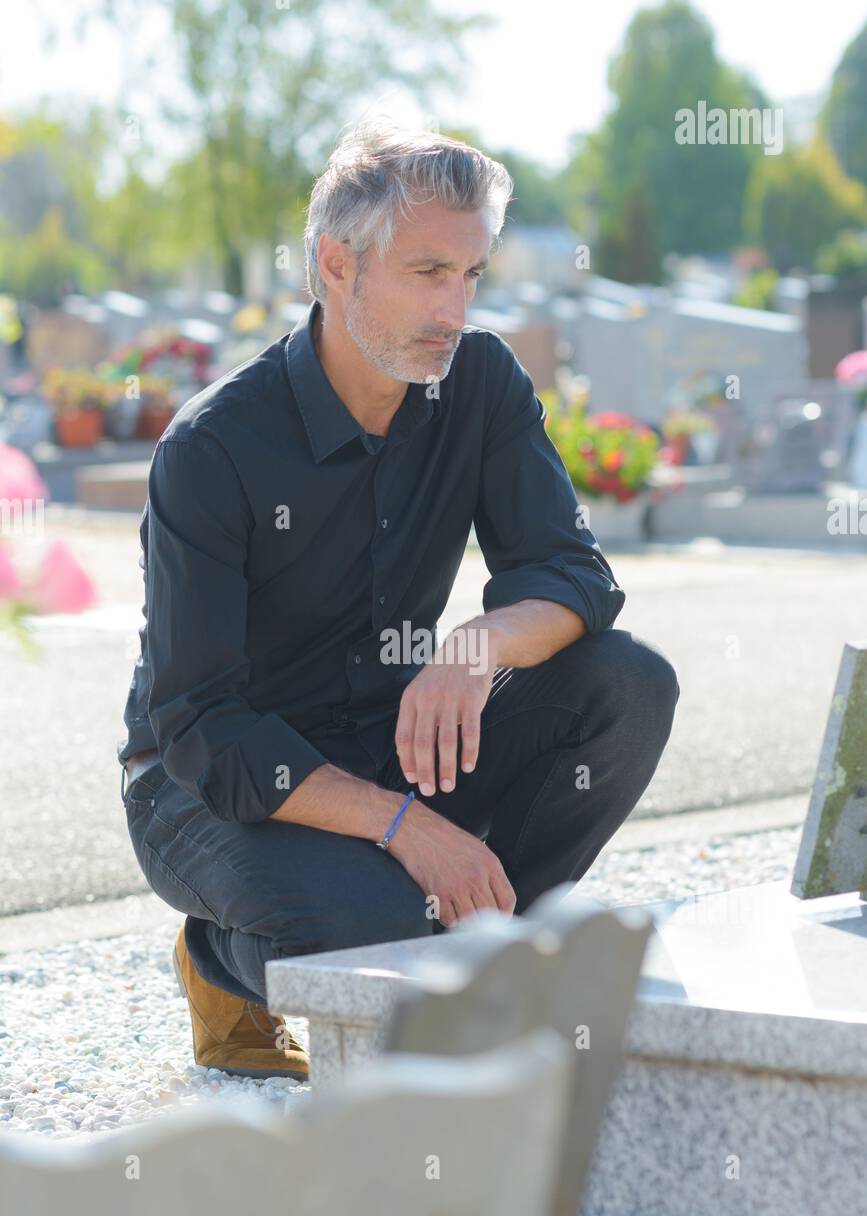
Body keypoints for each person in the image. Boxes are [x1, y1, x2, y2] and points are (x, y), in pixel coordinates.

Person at [118, 119, 680, 1081]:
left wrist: (477, 647)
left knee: (625, 686)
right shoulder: (212, 449)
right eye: (428, 274)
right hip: (214, 786)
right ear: (336, 265)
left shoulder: (480, 381)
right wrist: (403, 828)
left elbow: (573, 575)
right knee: (372, 928)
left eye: (471, 276)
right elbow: (200, 722)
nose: (455, 310)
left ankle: (491, 952)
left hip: (394, 739)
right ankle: (218, 956)